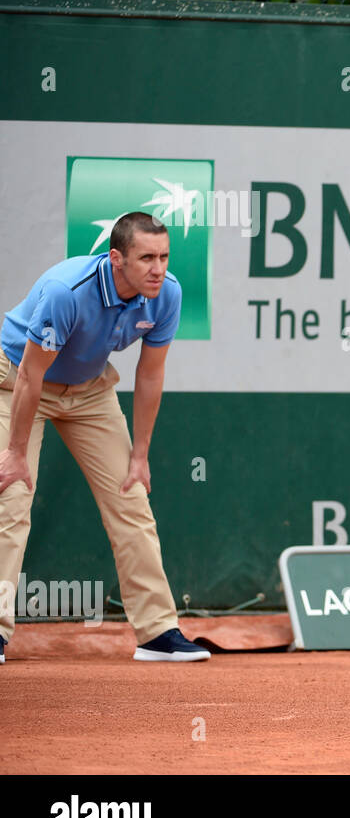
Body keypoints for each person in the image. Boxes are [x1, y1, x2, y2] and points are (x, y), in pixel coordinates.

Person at [0, 212, 210, 662]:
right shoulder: (67, 292)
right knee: (11, 501)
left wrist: (140, 456)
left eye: (165, 256)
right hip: (16, 381)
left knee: (131, 499)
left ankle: (158, 633)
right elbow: (31, 375)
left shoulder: (166, 293)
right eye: (146, 258)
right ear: (116, 258)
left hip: (90, 391)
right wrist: (15, 454)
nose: (159, 269)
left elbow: (151, 375)